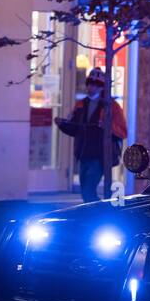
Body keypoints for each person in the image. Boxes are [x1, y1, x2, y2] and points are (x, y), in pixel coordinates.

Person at [55, 67, 127, 203]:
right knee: (85, 193)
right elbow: (74, 129)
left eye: (96, 84)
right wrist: (62, 124)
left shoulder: (112, 106)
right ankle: (96, 213)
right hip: (83, 154)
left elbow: (122, 131)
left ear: (102, 87)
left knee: (88, 191)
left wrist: (107, 126)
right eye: (90, 83)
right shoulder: (81, 105)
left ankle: (98, 214)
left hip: (99, 156)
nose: (91, 87)